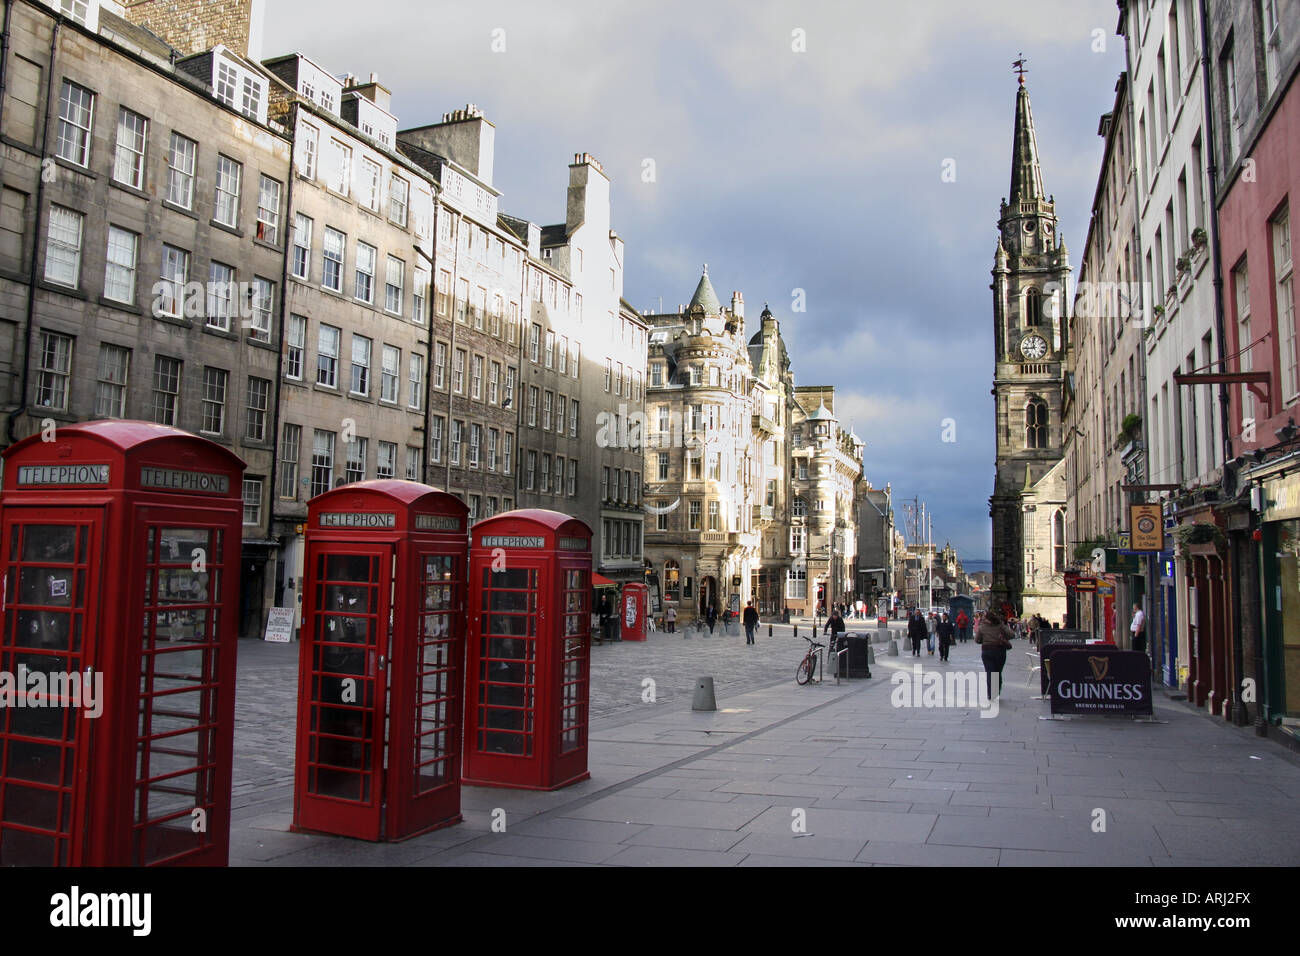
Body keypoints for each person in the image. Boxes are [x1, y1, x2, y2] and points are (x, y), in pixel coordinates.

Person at [976, 609, 1015, 698]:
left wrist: (985, 639)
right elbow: (1011, 635)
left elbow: (977, 640)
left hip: (987, 651)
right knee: (997, 672)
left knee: (990, 672)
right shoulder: (1000, 625)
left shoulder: (982, 626)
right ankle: (996, 691)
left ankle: (991, 694)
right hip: (999, 651)